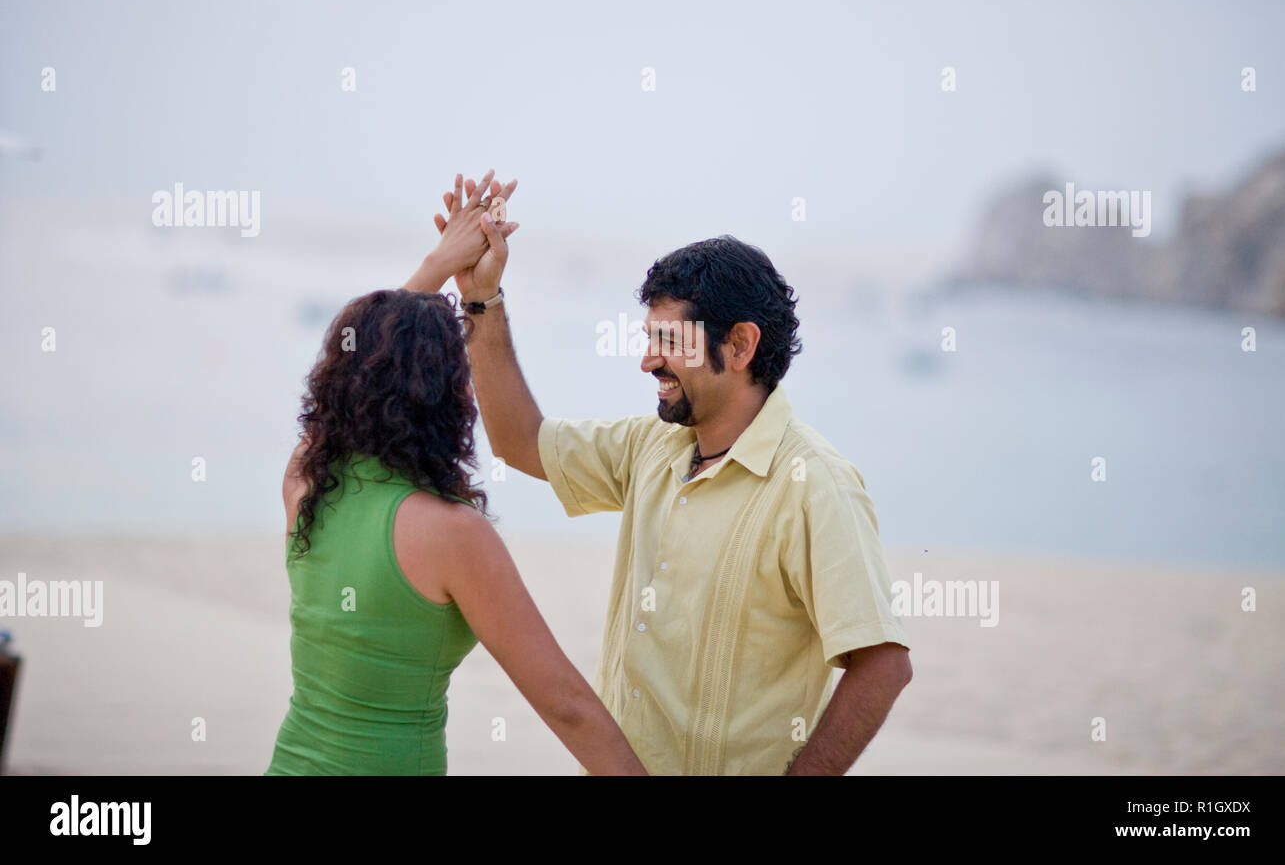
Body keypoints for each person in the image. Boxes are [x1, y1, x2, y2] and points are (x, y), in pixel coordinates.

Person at [413, 175, 914, 775]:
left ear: (741, 344)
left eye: (668, 341)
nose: (648, 360)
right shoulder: (651, 445)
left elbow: (883, 664)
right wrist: (481, 299)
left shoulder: (816, 484)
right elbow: (520, 442)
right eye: (648, 339)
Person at [266, 170, 646, 775]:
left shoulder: (307, 486)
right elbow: (565, 704)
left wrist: (440, 263)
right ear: (450, 395)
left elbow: (355, 356)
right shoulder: (453, 534)